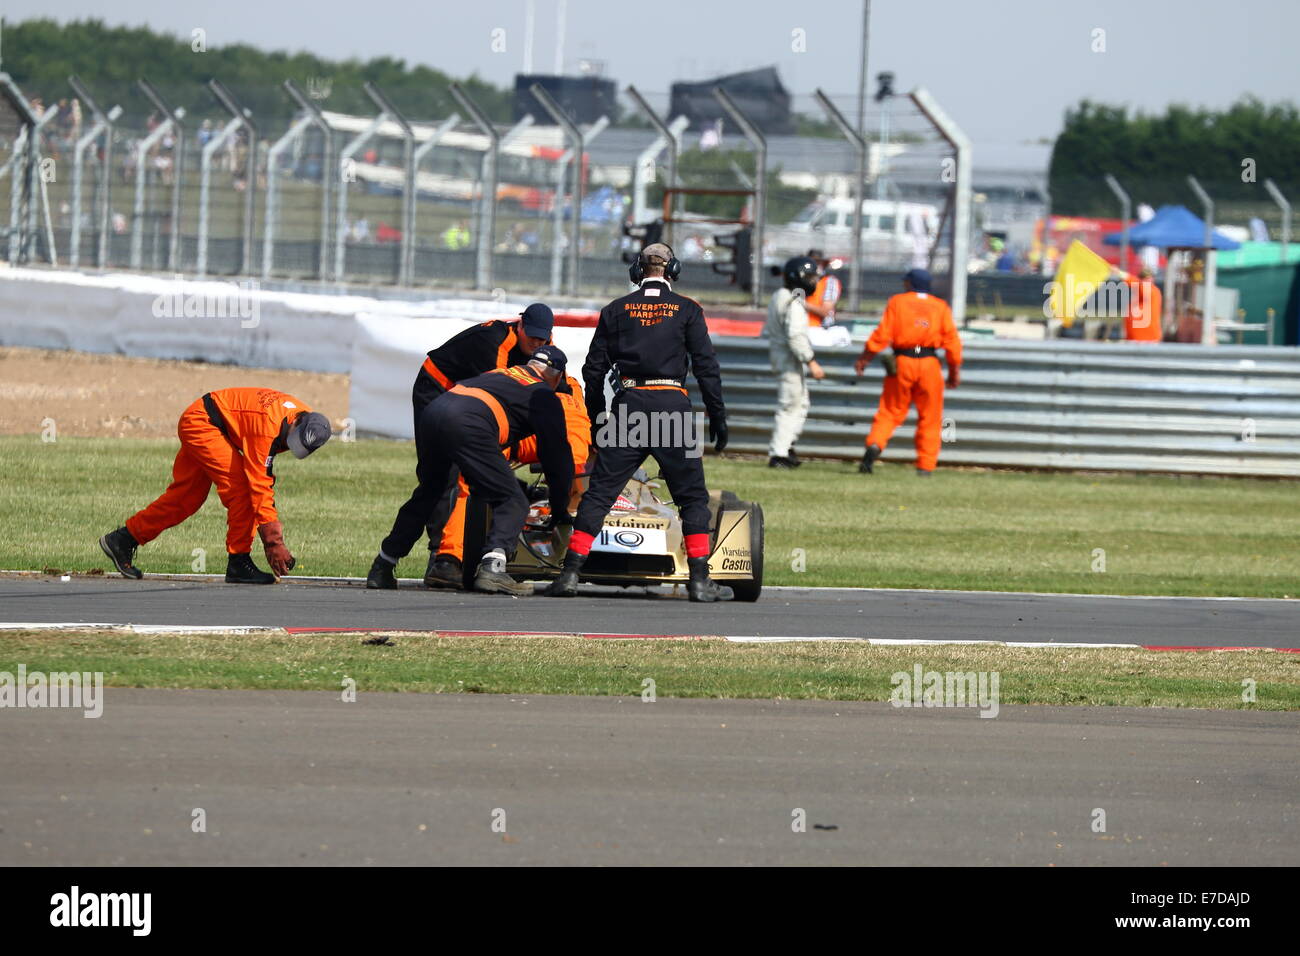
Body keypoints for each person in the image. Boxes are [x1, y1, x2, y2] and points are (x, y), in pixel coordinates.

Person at [544, 242, 732, 602]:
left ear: (636, 270)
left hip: (629, 407)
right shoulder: (688, 310)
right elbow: (707, 368)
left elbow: (592, 370)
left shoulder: (615, 310)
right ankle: (699, 580)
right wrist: (718, 418)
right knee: (691, 497)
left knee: (599, 494)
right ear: (673, 270)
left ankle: (569, 574)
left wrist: (600, 420)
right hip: (673, 406)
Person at [367, 346, 575, 596]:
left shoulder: (501, 373)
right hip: (469, 421)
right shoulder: (543, 395)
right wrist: (561, 507)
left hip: (435, 411)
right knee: (512, 500)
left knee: (430, 492)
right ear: (557, 376)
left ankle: (383, 565)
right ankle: (493, 569)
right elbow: (558, 459)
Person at [98, 388, 332, 584]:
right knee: (242, 489)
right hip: (203, 423)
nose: (291, 448)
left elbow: (263, 472)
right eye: (294, 440)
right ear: (297, 422)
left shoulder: (297, 418)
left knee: (185, 498)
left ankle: (122, 540)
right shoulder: (269, 426)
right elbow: (259, 486)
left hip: (210, 422)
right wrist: (274, 542)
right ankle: (239, 562)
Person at [411, 304, 554, 586]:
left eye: (542, 339)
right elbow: (496, 398)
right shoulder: (495, 343)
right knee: (442, 474)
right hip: (438, 390)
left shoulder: (546, 348)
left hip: (469, 401)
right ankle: (441, 557)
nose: (536, 344)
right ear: (520, 326)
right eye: (532, 337)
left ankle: (457, 554)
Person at [428, 372, 591, 585]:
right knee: (576, 481)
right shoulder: (571, 386)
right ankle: (573, 548)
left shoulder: (511, 369)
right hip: (564, 442)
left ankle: (449, 560)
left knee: (471, 483)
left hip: (517, 434)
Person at [854, 268, 962, 476]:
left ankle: (875, 445)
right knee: (930, 417)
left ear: (910, 284)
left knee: (890, 411)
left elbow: (882, 334)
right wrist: (954, 371)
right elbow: (953, 344)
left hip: (903, 361)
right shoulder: (940, 307)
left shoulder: (897, 302)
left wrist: (864, 358)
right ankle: (925, 466)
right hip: (930, 363)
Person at [765, 255, 826, 468]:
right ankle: (779, 454)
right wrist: (811, 362)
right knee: (790, 406)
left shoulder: (779, 296)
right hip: (789, 361)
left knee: (800, 404)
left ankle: (787, 445)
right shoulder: (792, 302)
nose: (813, 281)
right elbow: (796, 336)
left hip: (781, 358)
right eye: (809, 276)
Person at [803, 249, 842, 328]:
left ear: (823, 264)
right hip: (803, 327)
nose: (814, 265)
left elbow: (825, 311)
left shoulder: (830, 282)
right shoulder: (803, 280)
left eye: (817, 262)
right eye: (810, 263)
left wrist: (800, 303)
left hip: (822, 329)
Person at [1123, 267, 1163, 342]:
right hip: (1134, 338)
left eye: (1148, 278)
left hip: (1149, 338)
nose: (1146, 281)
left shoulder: (1153, 291)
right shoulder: (1138, 294)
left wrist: (1122, 274)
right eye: (1143, 278)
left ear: (1152, 279)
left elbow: (1139, 285)